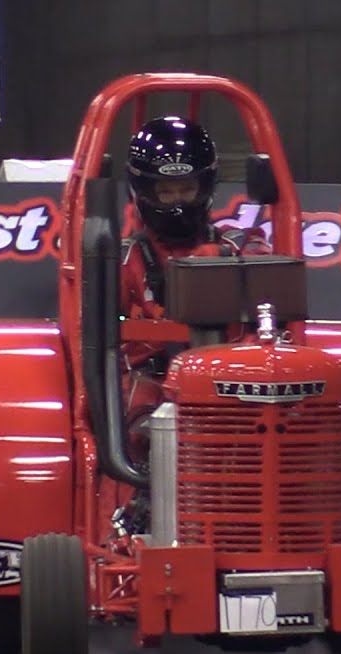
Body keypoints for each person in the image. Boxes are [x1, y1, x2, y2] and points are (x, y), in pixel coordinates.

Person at [116, 116, 271, 471]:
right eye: (166, 192)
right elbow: (94, 341)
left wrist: (219, 265)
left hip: (231, 383)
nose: (177, 202)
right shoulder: (124, 259)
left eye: (186, 190)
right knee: (145, 428)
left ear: (205, 188)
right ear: (143, 193)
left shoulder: (240, 246)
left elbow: (270, 302)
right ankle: (145, 509)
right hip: (153, 384)